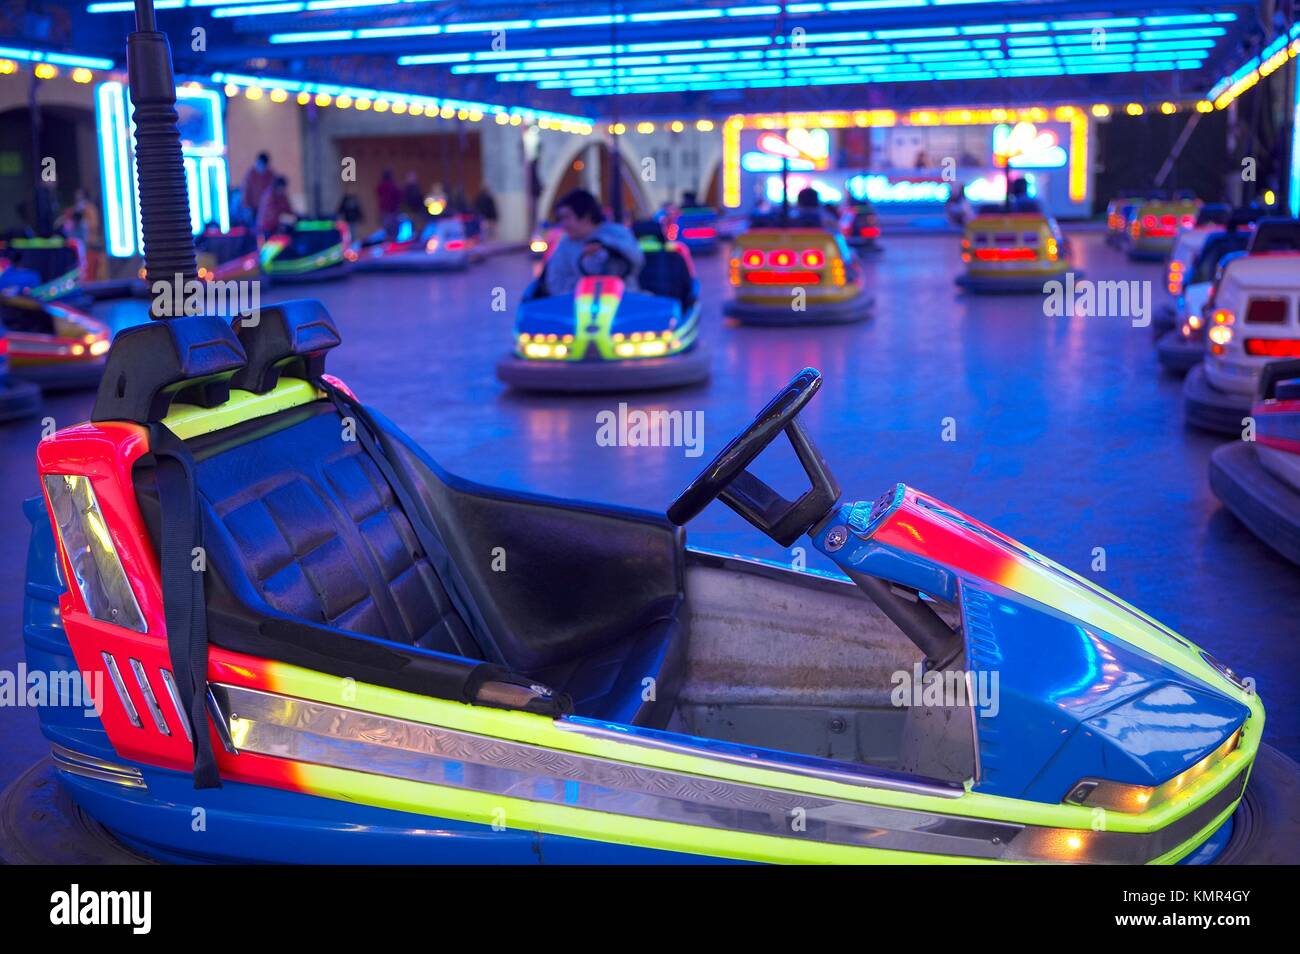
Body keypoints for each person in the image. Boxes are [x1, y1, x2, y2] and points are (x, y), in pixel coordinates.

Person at [541, 188, 643, 296]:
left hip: (623, 299)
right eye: (561, 218)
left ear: (586, 216)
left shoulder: (616, 233)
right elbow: (555, 282)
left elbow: (637, 259)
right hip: (577, 303)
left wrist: (605, 245)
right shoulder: (564, 245)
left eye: (567, 217)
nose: (563, 224)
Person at [240, 152, 275, 226]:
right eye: (260, 164)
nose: (262, 167)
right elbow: (246, 192)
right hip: (253, 208)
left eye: (264, 165)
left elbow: (273, 191)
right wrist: (247, 207)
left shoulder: (270, 174)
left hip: (266, 208)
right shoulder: (250, 175)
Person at [376, 169, 401, 236]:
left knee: (387, 230)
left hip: (386, 211)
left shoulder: (381, 186)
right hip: (391, 211)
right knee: (392, 230)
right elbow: (399, 196)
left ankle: (388, 242)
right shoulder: (393, 186)